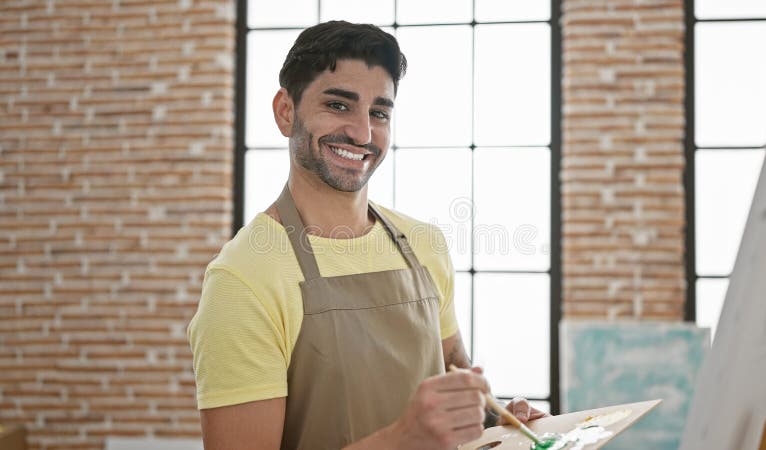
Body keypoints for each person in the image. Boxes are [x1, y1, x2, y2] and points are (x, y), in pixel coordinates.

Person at [187, 20, 546, 450]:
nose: (363, 133)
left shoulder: (425, 245)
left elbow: (457, 381)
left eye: (379, 112)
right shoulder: (243, 279)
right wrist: (404, 438)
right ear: (286, 111)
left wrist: (500, 417)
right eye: (339, 106)